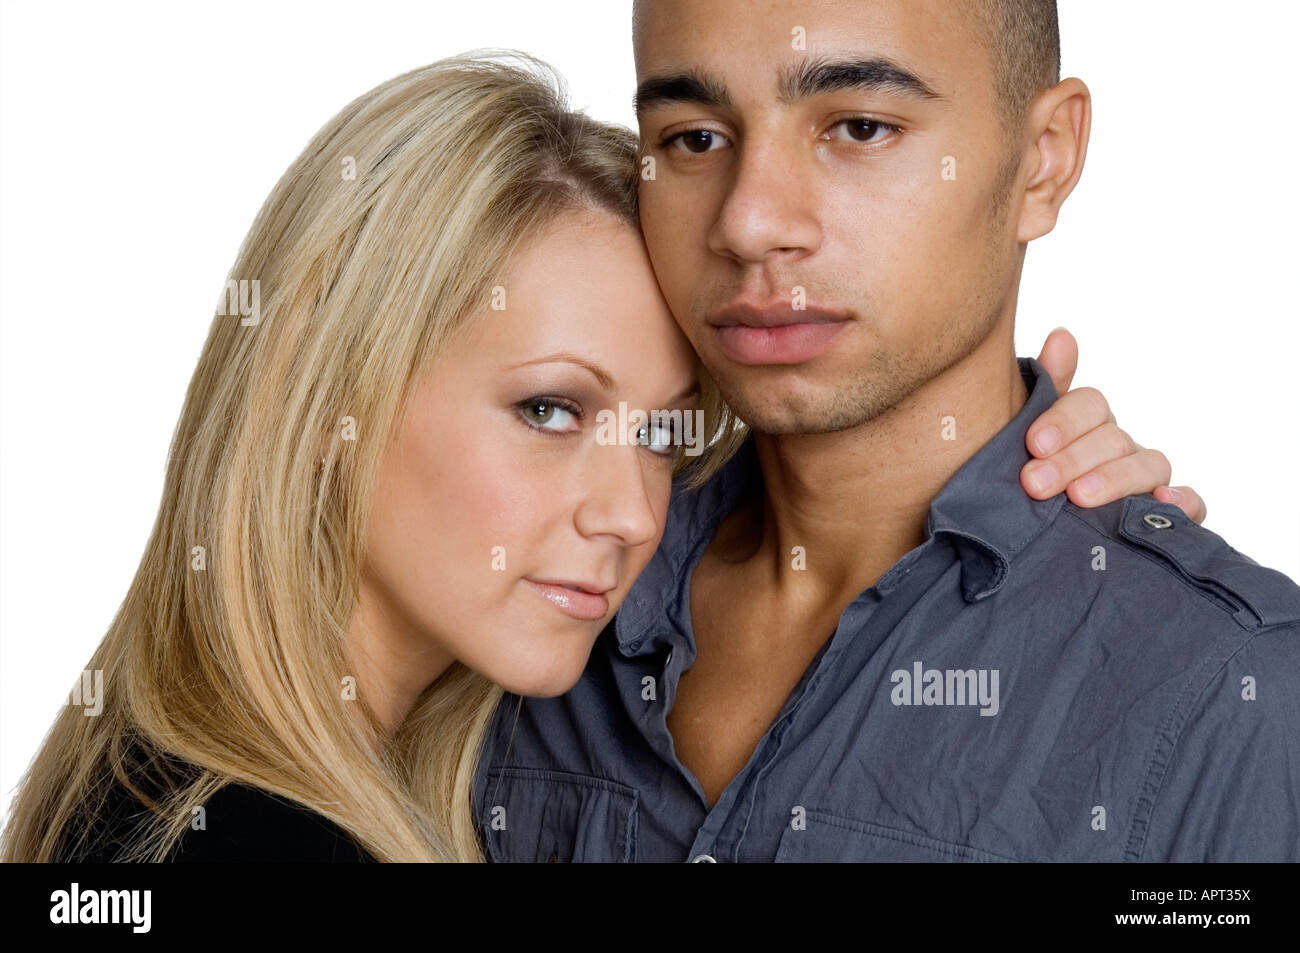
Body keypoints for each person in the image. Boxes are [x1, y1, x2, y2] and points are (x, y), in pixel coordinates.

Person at [1, 51, 1197, 865]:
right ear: (326, 398)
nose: (630, 512)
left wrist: (1041, 533)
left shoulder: (432, 762)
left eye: (667, 430)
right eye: (550, 410)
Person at [473, 0, 1300, 862]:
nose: (749, 223)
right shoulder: (521, 595)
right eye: (695, 138)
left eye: (860, 127)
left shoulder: (1231, 694)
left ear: (1043, 160)